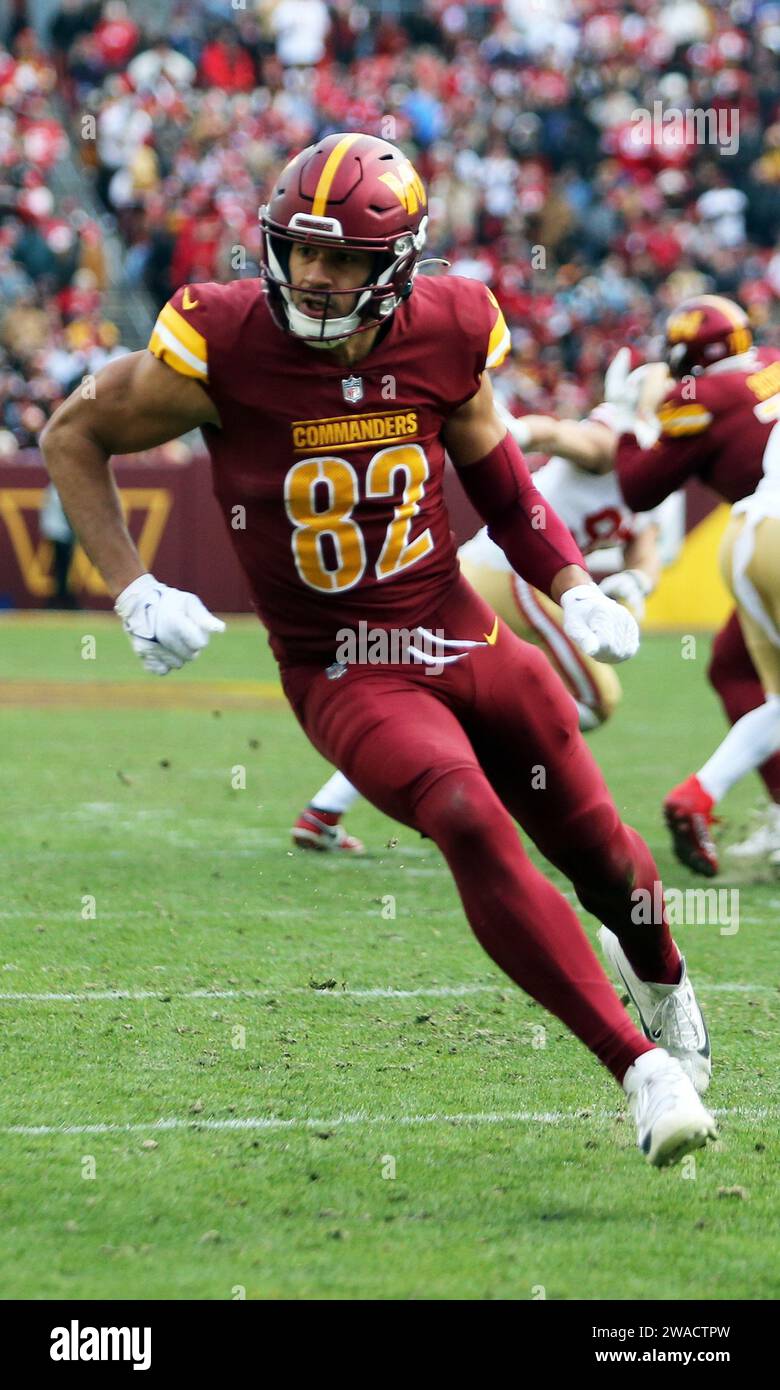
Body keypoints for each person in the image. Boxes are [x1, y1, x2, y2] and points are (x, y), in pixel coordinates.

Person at [40, 133, 715, 1166]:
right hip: (341, 661)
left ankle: (663, 977)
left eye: (346, 258)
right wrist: (131, 588)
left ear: (398, 266)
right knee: (462, 812)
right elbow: (70, 436)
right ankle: (638, 1069)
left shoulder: (450, 326)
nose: (314, 275)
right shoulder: (222, 340)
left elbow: (493, 467)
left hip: (459, 624)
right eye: (301, 250)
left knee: (605, 854)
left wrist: (572, 585)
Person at [292, 380, 676, 852]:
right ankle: (487, 742)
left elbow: (646, 545)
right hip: (514, 576)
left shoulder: (654, 468)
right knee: (597, 700)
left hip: (490, 571)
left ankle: (323, 811)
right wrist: (510, 432)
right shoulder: (613, 439)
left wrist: (637, 581)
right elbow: (553, 433)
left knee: (430, 691)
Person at [605, 297, 780, 876]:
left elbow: (637, 489)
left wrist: (629, 417)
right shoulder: (773, 363)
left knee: (733, 667)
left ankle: (705, 795)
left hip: (752, 535)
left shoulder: (699, 398)